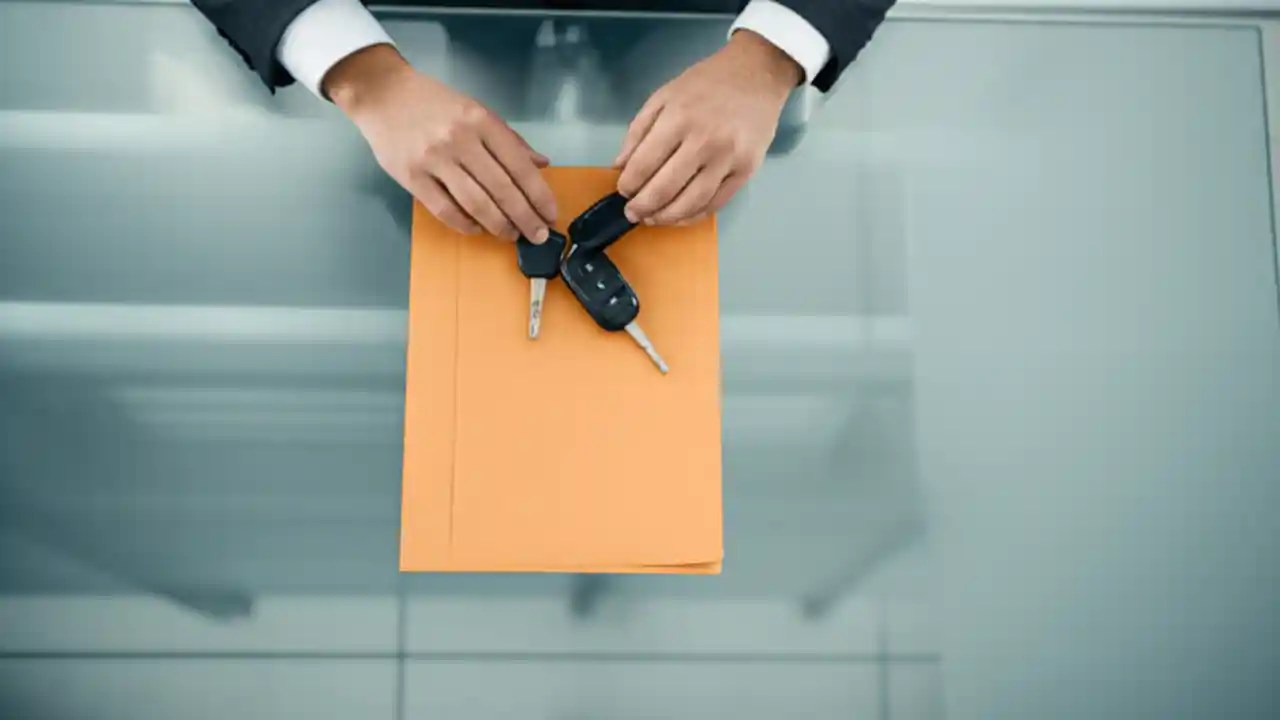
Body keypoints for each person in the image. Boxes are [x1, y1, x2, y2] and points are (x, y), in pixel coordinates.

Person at [191, 0, 894, 242]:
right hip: (412, 36)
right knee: (453, 233)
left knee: (676, 213)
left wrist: (769, 56)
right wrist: (361, 74)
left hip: (709, 32)